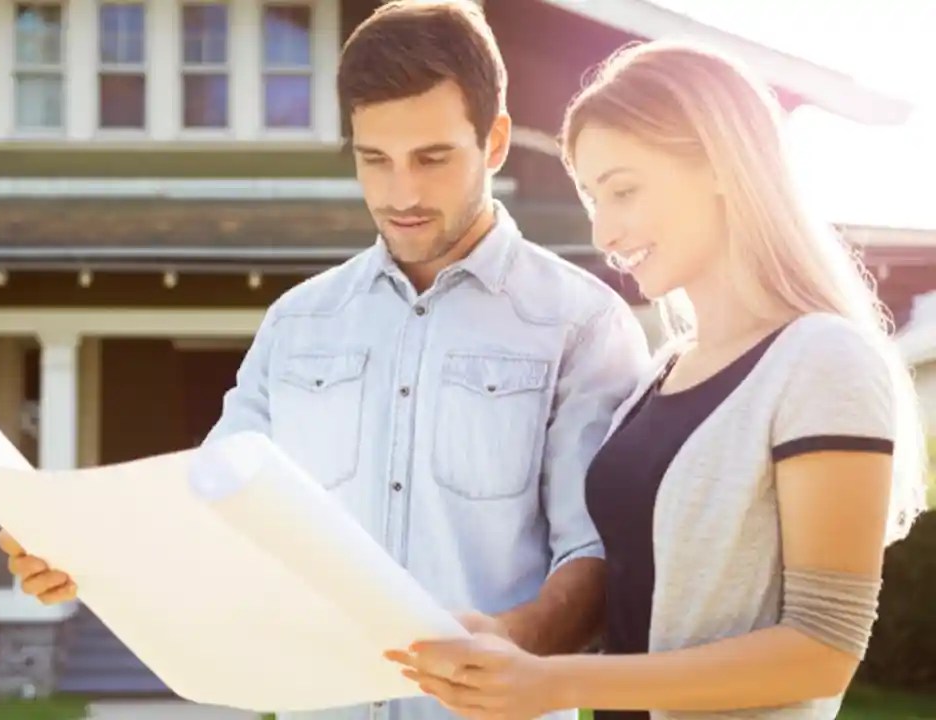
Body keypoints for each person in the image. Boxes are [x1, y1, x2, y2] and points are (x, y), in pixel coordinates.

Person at [0, 1, 650, 719]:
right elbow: (212, 510)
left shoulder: (582, 326)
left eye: (432, 158)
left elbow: (598, 555)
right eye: (374, 159)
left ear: (493, 142)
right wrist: (87, 553)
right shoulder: (298, 325)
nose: (401, 194)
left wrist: (512, 641)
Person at [387, 40, 931, 720]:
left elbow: (823, 648)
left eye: (624, 189)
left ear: (720, 166)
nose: (604, 229)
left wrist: (555, 684)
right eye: (590, 196)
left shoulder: (822, 359)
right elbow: (636, 590)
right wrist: (513, 639)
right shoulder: (662, 371)